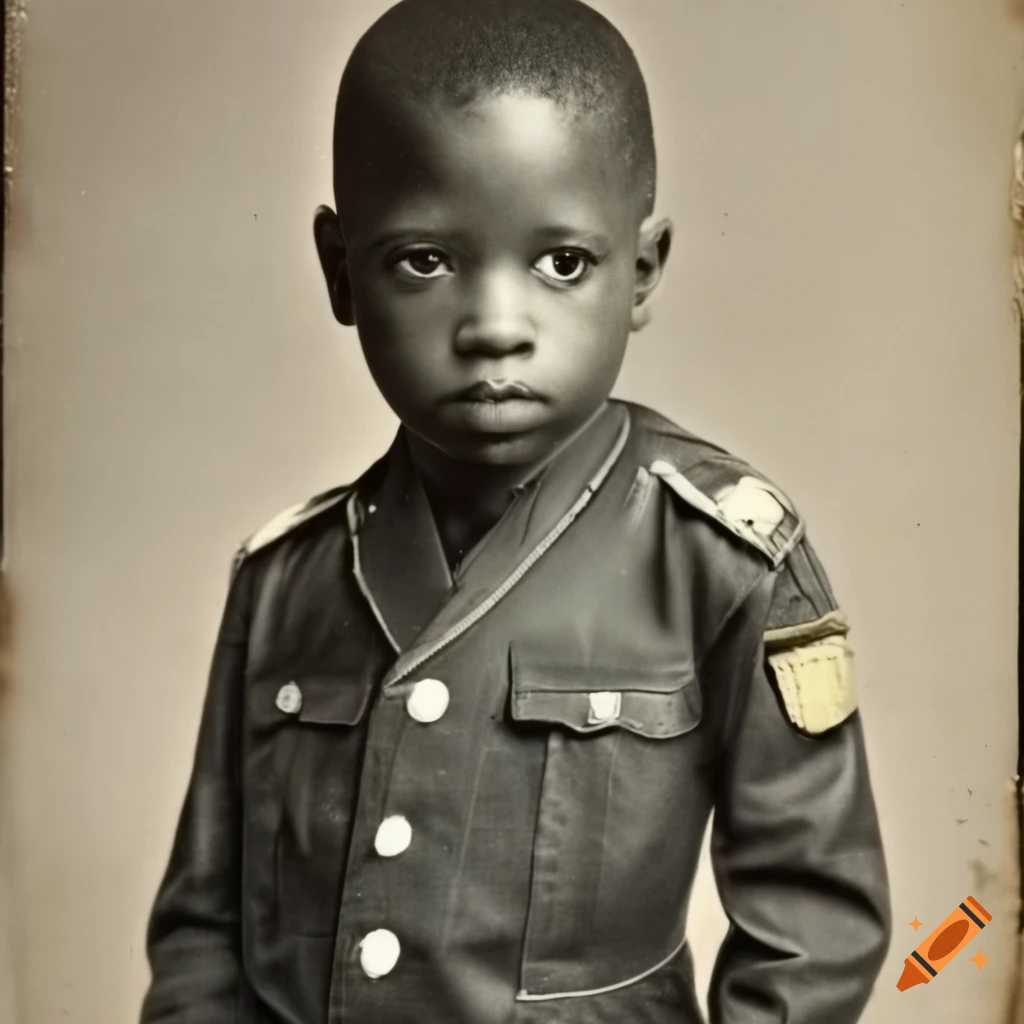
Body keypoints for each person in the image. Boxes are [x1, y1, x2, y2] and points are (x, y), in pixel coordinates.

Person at [140, 1, 892, 1021]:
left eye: (561, 263)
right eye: (424, 260)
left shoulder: (719, 559)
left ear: (642, 270)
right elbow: (204, 933)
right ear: (340, 272)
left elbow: (815, 932)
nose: (496, 326)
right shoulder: (283, 581)